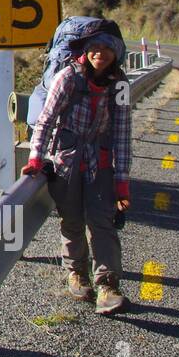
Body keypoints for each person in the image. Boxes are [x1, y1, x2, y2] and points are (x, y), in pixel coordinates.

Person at [22, 24, 130, 314]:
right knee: (71, 220)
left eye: (107, 48)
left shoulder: (120, 84)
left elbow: (122, 133)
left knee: (102, 222)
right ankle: (77, 274)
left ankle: (107, 285)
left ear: (116, 53)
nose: (100, 53)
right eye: (95, 47)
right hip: (66, 162)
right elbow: (46, 120)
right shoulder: (67, 77)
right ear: (85, 49)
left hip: (100, 163)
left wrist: (122, 182)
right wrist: (36, 158)